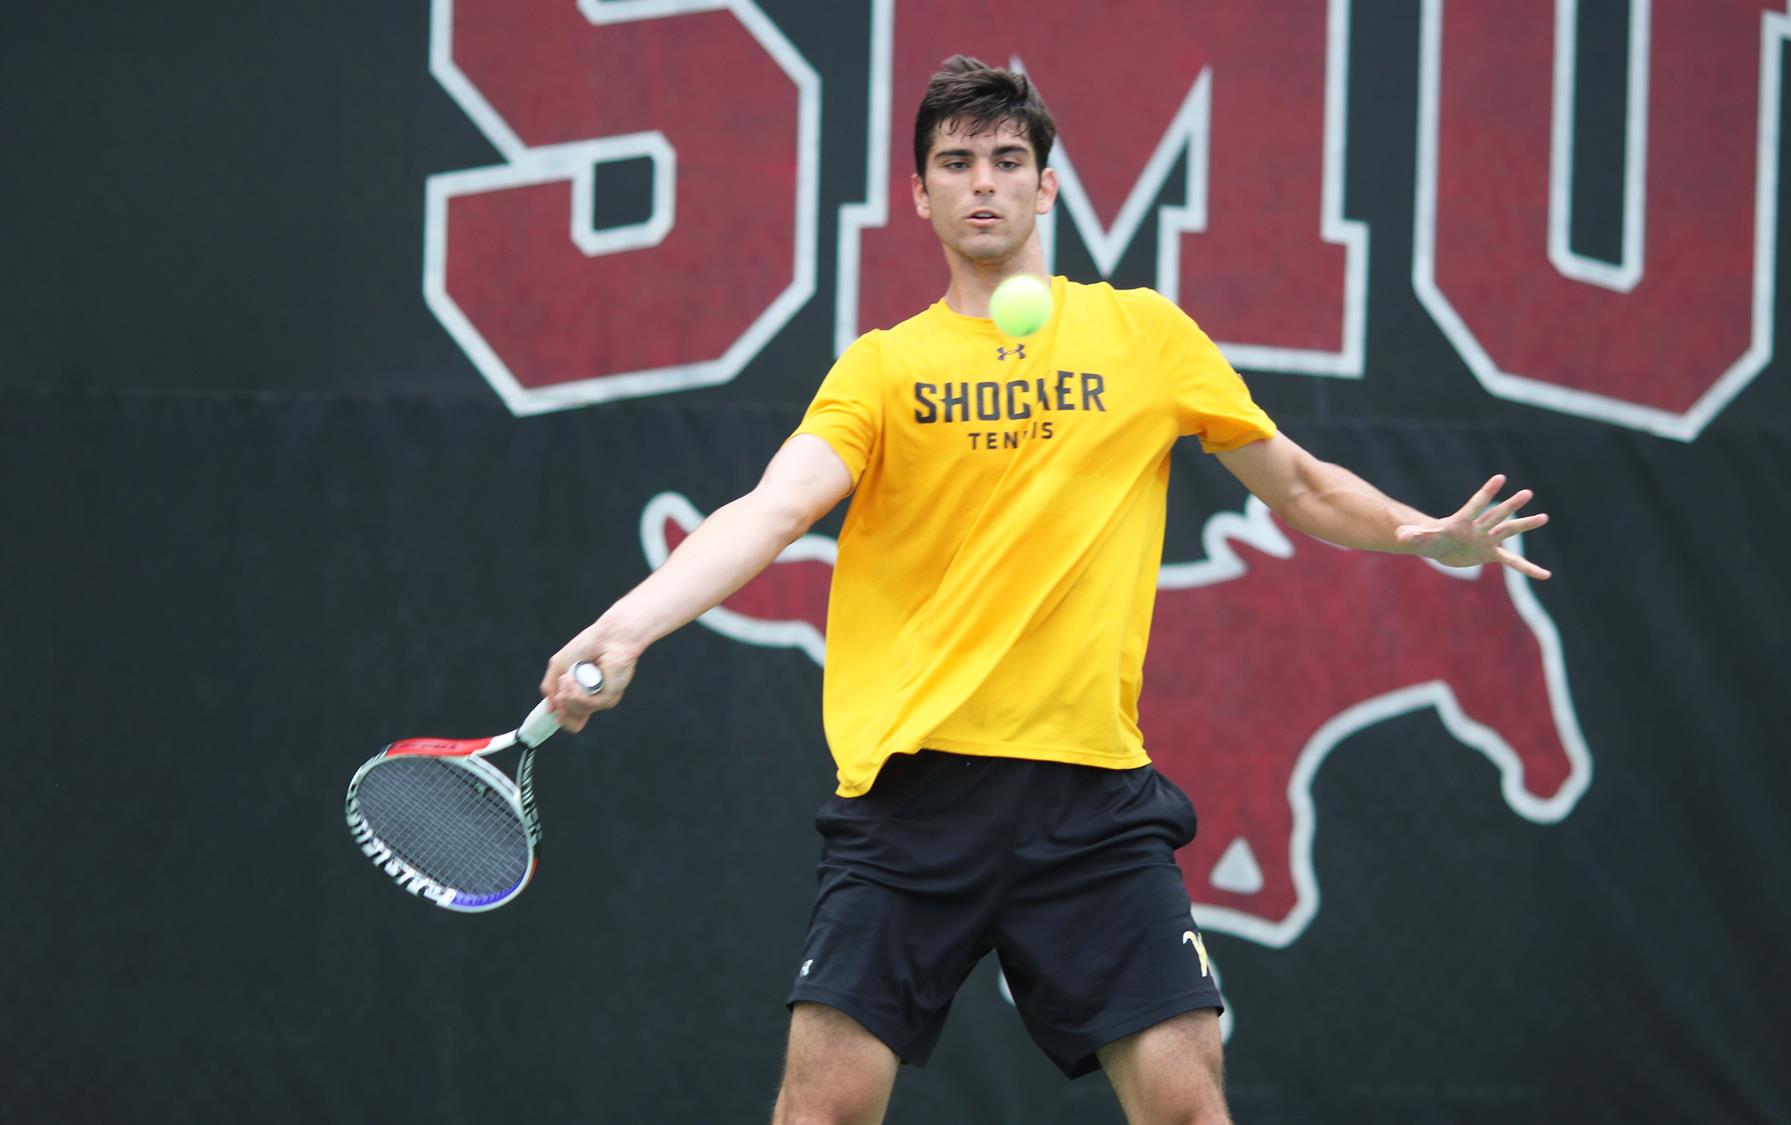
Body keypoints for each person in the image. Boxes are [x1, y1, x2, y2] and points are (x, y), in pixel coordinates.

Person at [539, 56, 1551, 1125]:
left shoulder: (1144, 338)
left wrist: (1418, 534)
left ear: (1047, 184)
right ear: (918, 194)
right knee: (820, 1111)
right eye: (956, 163)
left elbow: (1295, 483)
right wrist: (629, 624)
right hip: (912, 800)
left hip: (1091, 803)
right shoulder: (881, 370)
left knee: (1185, 1106)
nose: (984, 183)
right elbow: (773, 509)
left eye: (1007, 161)